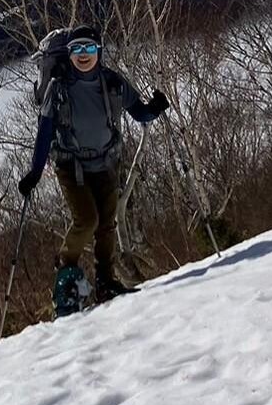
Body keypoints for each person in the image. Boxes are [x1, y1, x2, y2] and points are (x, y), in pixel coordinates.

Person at [18, 25, 169, 306]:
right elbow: (45, 131)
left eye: (88, 48)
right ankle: (66, 270)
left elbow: (139, 113)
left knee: (106, 225)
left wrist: (155, 108)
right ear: (69, 53)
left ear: (99, 51)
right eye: (77, 49)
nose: (83, 55)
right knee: (88, 220)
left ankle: (105, 281)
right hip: (70, 164)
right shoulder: (59, 87)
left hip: (105, 162)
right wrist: (34, 173)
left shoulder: (112, 82)